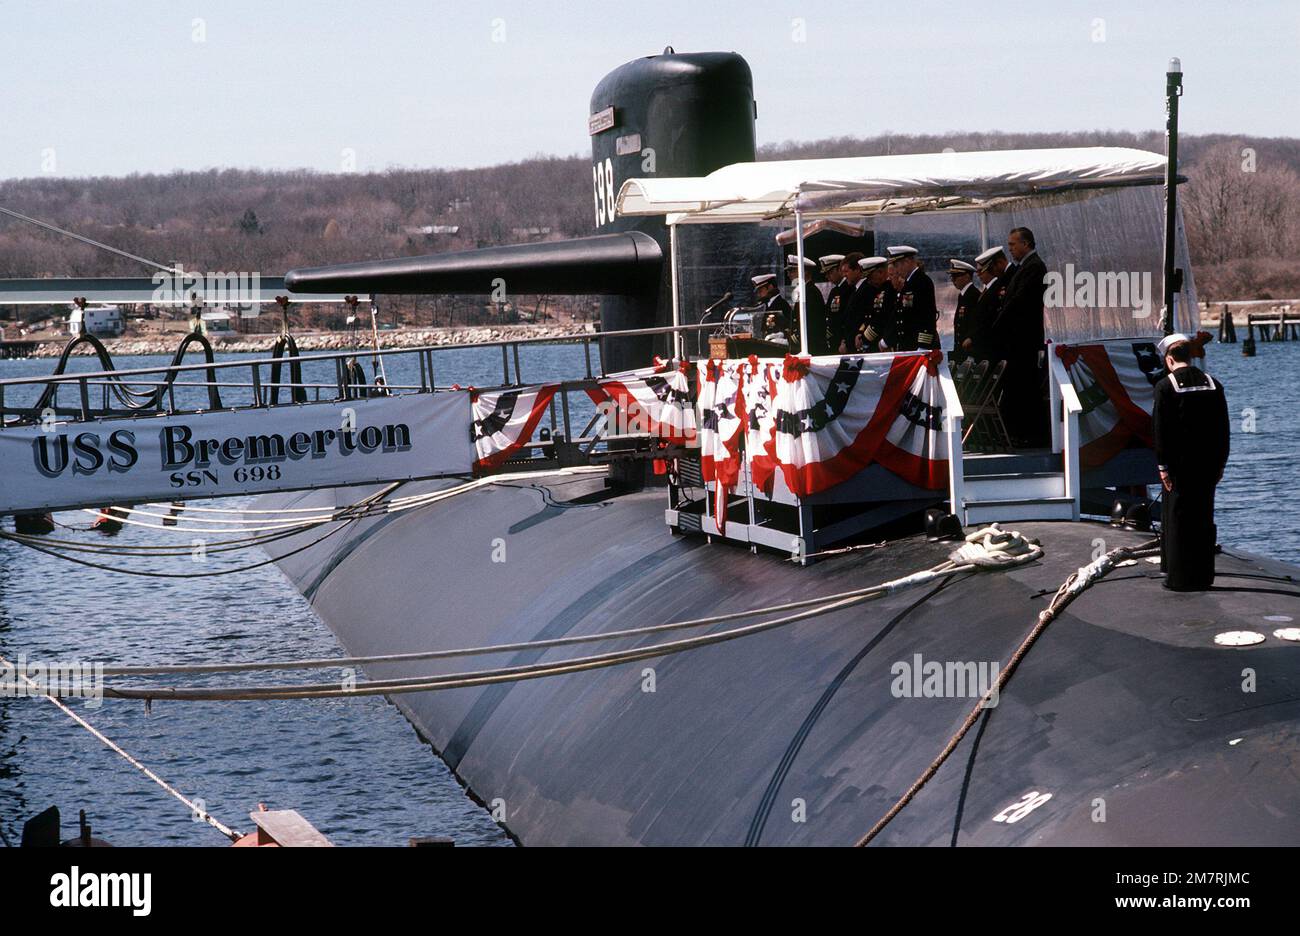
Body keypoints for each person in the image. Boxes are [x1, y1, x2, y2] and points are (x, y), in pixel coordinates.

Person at [1152, 333, 1230, 591]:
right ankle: (1204, 575)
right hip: (1207, 465)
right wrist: (1220, 464)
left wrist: (1163, 466)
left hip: (1180, 466)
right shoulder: (1213, 384)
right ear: (1190, 356)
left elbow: (1161, 430)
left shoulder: (1166, 386)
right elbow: (1223, 429)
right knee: (1203, 518)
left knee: (1178, 519)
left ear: (1170, 359)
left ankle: (1179, 578)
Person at [991, 227, 1048, 445]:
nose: (1010, 249)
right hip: (1016, 340)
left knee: (1025, 386)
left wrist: (998, 326)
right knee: (1017, 386)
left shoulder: (1034, 267)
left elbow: (1018, 302)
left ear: (1026, 244)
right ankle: (1020, 432)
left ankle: (1030, 435)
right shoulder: (1022, 268)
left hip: (1024, 339)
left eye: (1013, 245)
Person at [885, 245, 939, 351]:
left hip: (917, 345)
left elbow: (927, 315)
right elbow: (900, 314)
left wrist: (923, 345)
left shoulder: (922, 281)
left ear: (907, 262)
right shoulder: (909, 283)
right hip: (907, 344)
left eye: (897, 265)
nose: (896, 270)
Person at [786, 255, 828, 353]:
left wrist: (793, 339)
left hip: (812, 346)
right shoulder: (803, 291)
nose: (789, 274)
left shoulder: (811, 292)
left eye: (792, 271)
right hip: (804, 344)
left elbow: (811, 323)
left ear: (804, 271)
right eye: (788, 271)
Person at [947, 259, 983, 363]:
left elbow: (977, 321)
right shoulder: (963, 295)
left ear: (967, 276)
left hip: (969, 348)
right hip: (962, 347)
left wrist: (971, 338)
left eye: (956, 276)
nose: (953, 280)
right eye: (952, 277)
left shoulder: (973, 295)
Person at [854, 256, 893, 351]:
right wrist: (861, 332)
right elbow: (869, 315)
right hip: (873, 338)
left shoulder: (890, 289)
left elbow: (882, 317)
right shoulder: (876, 289)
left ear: (880, 272)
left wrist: (865, 338)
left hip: (884, 340)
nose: (869, 281)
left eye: (870, 277)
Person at [752, 273, 791, 345]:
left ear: (770, 287)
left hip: (779, 345)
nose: (759, 294)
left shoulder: (782, 304)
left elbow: (789, 326)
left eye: (760, 291)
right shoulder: (765, 305)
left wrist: (783, 335)